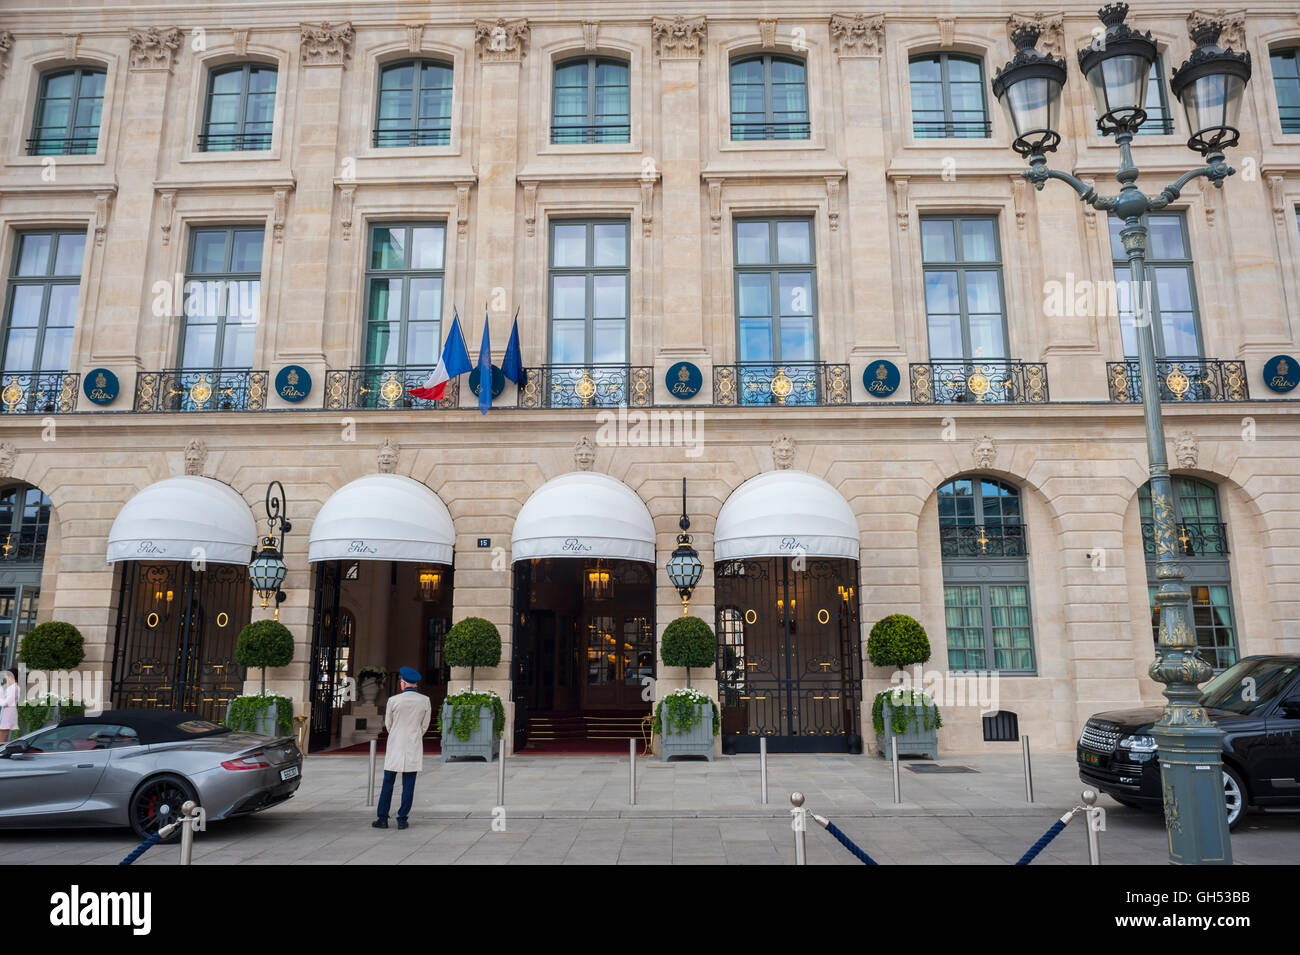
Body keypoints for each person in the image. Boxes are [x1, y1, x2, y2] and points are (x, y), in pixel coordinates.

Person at [373, 666, 431, 831]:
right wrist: (414, 735)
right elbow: (424, 726)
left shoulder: (393, 700)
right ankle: (402, 819)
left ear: (403, 683)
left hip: (395, 746)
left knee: (388, 783)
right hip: (413, 745)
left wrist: (397, 734)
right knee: (409, 785)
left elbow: (388, 724)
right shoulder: (425, 700)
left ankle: (382, 818)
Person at [0, 669, 18, 743]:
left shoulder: (14, 688)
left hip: (8, 713)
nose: (5, 678)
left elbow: (5, 703)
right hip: (6, 712)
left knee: (2, 738)